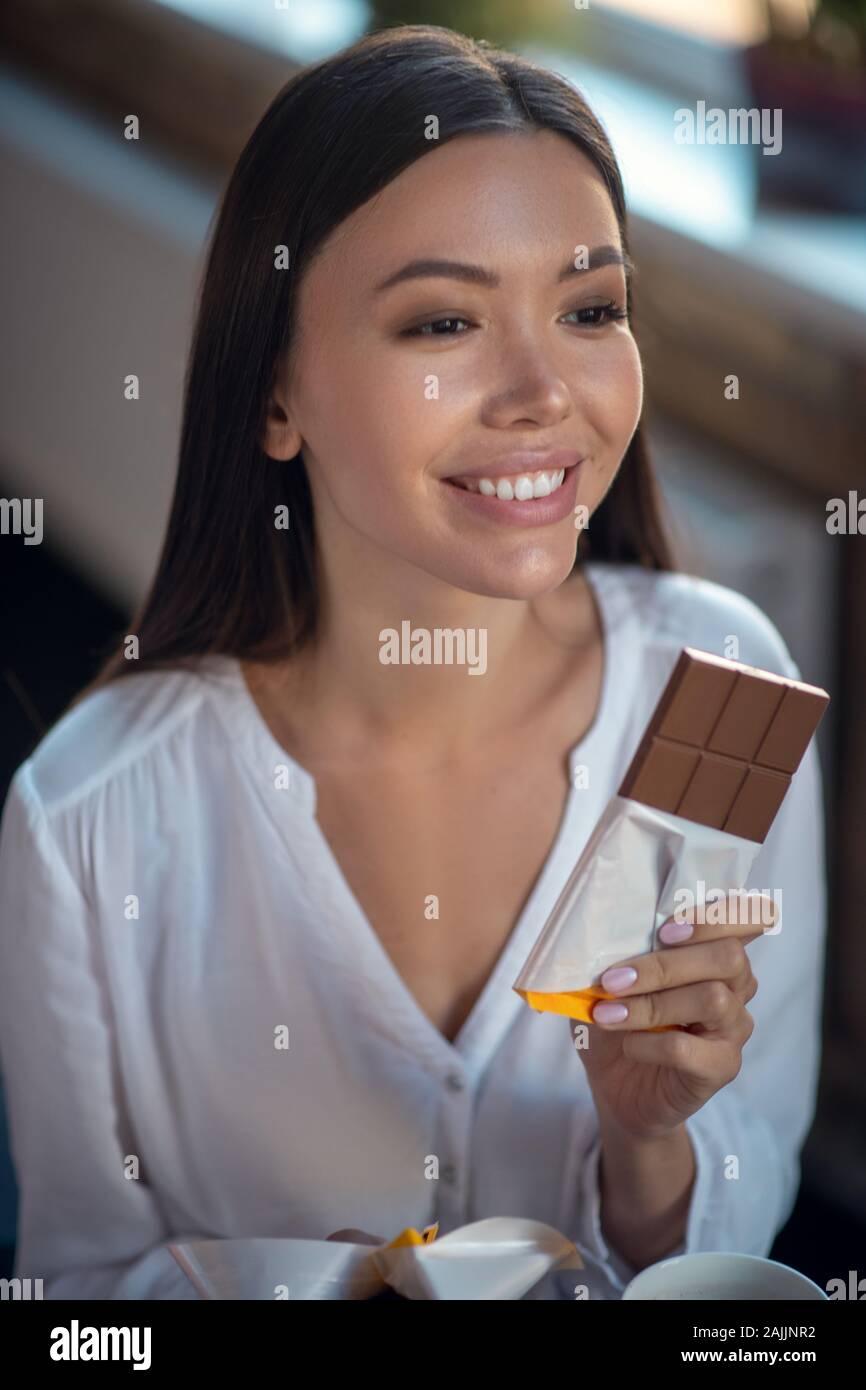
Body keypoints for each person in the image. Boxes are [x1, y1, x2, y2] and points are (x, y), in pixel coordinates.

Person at [0, 24, 825, 1301]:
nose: (542, 391)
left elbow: (742, 1228)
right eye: (443, 321)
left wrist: (647, 1144)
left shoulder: (727, 683)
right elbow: (72, 1311)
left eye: (589, 309)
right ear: (274, 391)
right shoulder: (85, 822)